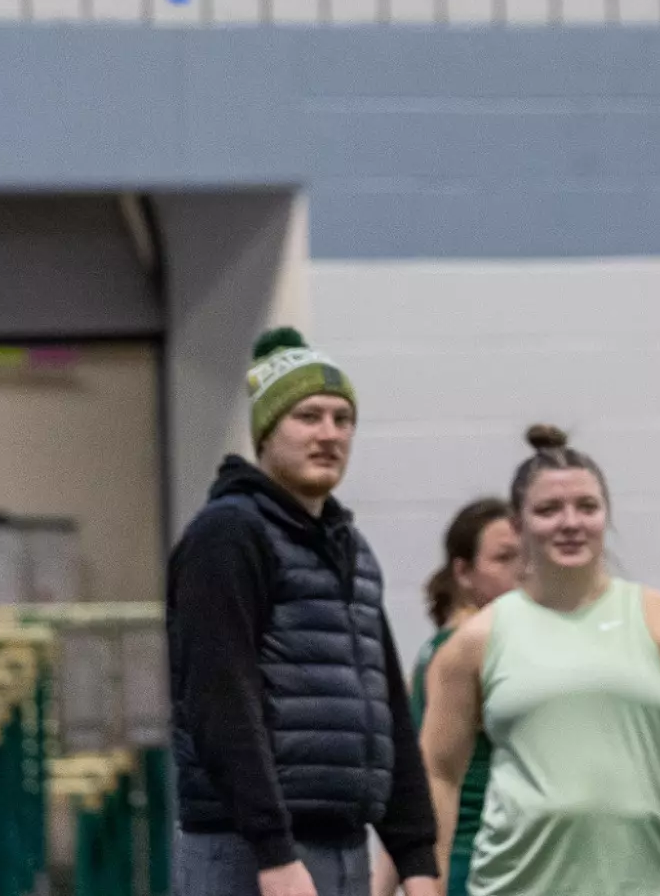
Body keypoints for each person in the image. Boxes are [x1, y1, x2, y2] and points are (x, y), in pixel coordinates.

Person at [167, 328, 439, 896]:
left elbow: (386, 704)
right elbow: (220, 701)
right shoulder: (229, 535)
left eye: (343, 419)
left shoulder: (349, 548)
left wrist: (415, 856)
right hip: (250, 851)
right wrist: (274, 852)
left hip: (342, 846)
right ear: (266, 431)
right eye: (308, 416)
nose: (329, 434)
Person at [420, 426, 660, 896]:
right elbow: (438, 773)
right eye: (549, 510)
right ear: (518, 525)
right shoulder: (475, 641)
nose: (570, 523)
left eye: (586, 507)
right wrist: (429, 884)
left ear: (606, 516)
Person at [370, 499, 523, 896]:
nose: (522, 570)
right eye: (504, 558)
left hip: (458, 864)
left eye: (526, 556)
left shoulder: (432, 652)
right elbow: (426, 781)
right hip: (482, 866)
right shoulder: (472, 655)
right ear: (464, 572)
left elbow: (409, 788)